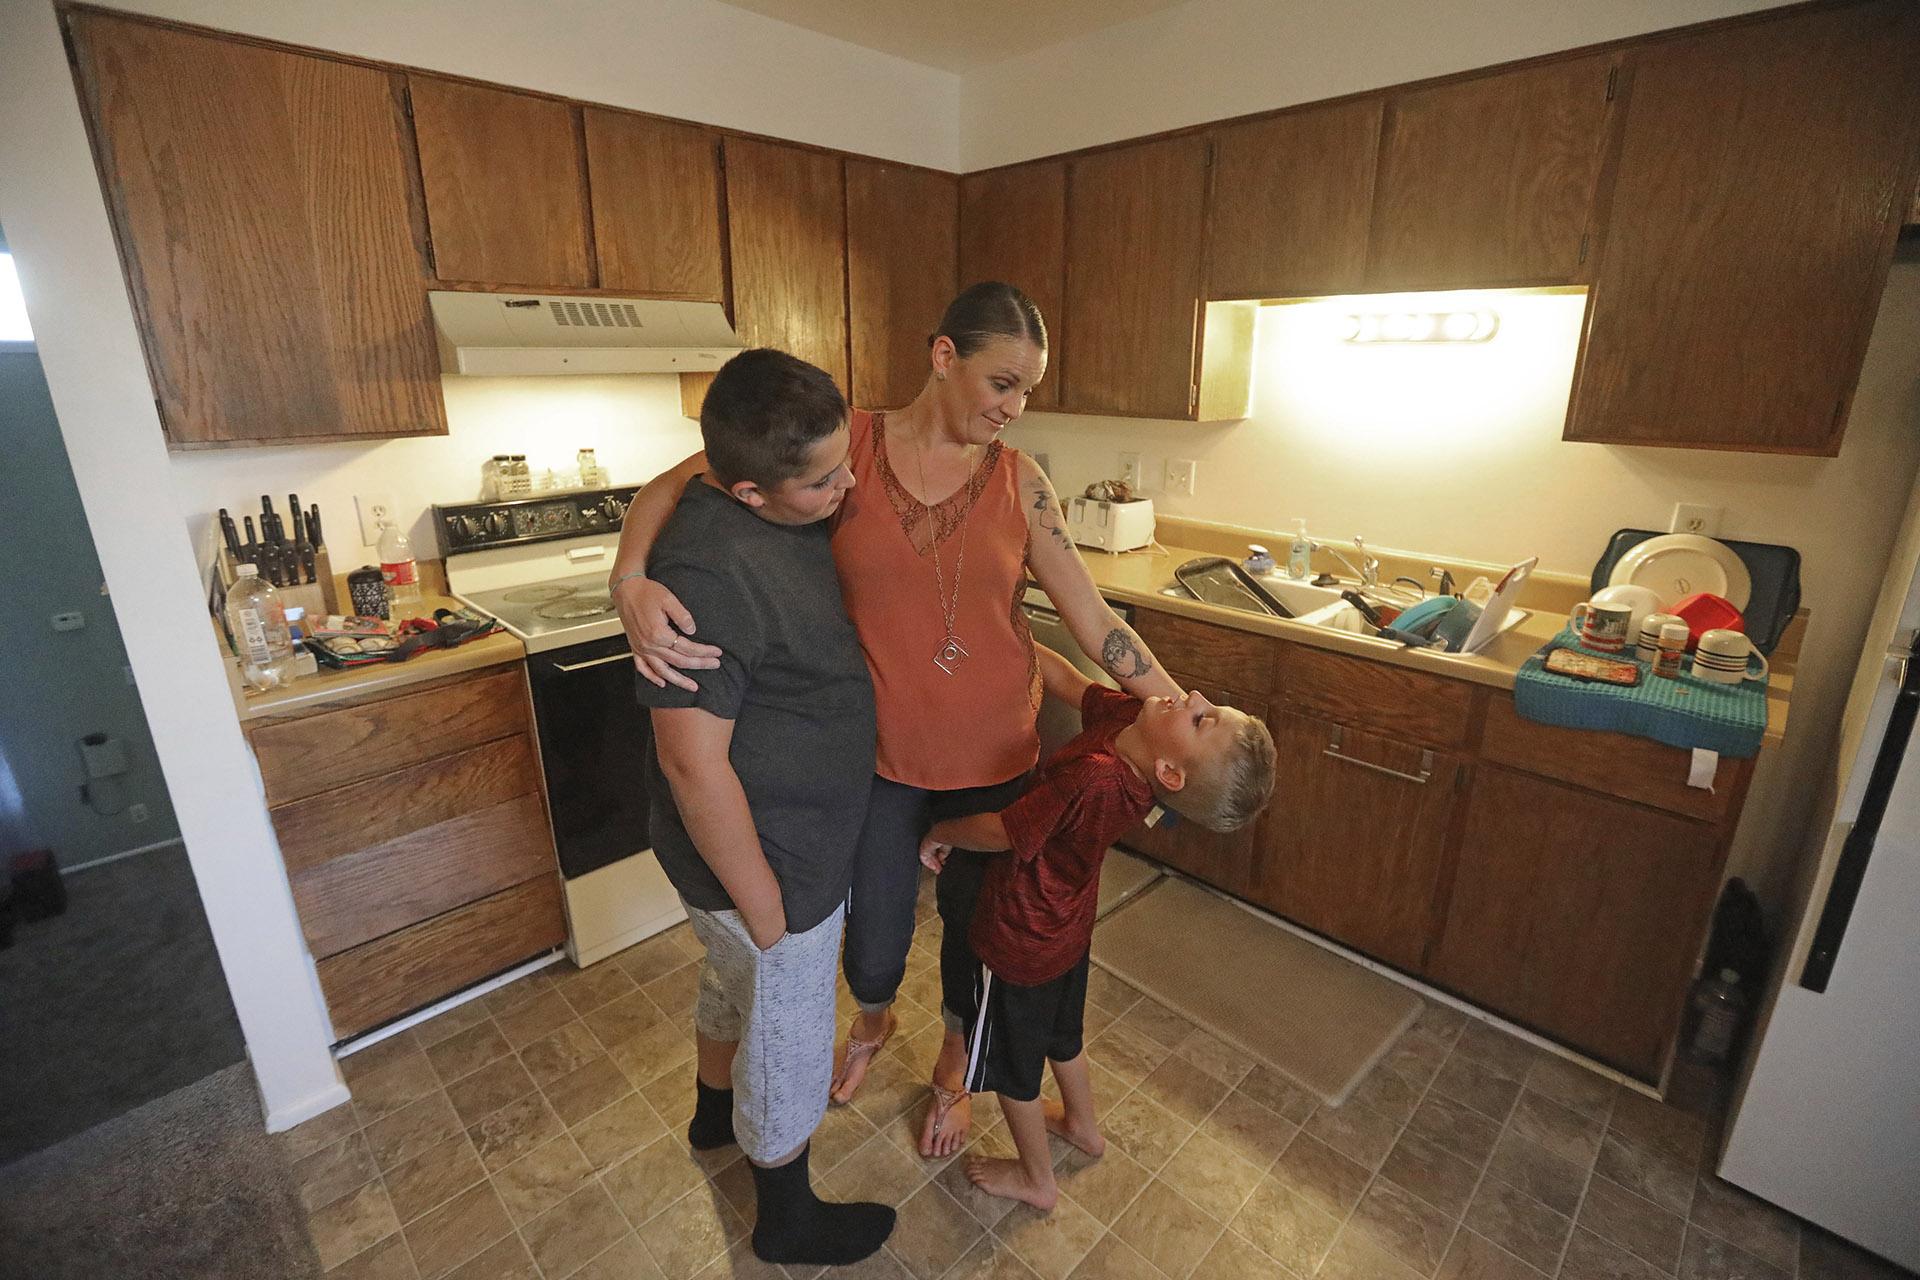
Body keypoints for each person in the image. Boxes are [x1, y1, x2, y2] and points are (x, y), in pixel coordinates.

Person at [609, 282, 1183, 1158]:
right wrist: (629, 581)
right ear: (943, 356)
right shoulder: (844, 446)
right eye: (1002, 383)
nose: (1015, 407)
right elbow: (680, 481)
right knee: (873, 940)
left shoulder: (1024, 484)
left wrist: (1178, 706)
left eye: (1029, 389)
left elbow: (1096, 623)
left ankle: (955, 1064)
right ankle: (873, 1022)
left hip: (1000, 758)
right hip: (876, 765)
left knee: (980, 934)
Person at [630, 348, 894, 1267]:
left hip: (776, 854)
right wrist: (771, 913)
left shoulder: (746, 489)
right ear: (748, 493)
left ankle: (710, 1120)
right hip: (768, 865)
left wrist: (625, 561)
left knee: (727, 986)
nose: (847, 484)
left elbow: (673, 475)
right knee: (785, 1033)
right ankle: (787, 1212)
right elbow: (691, 766)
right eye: (824, 481)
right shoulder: (709, 577)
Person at [918, 647, 1277, 1210]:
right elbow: (1071, 681)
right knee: (1062, 1037)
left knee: (1013, 1072)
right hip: (1067, 931)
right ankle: (1083, 1126)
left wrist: (942, 829)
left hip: (1018, 941)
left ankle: (1037, 1180)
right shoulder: (1135, 724)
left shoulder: (1095, 780)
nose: (1195, 697)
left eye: (1202, 719)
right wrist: (1010, 636)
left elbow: (1004, 832)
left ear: (1169, 772)